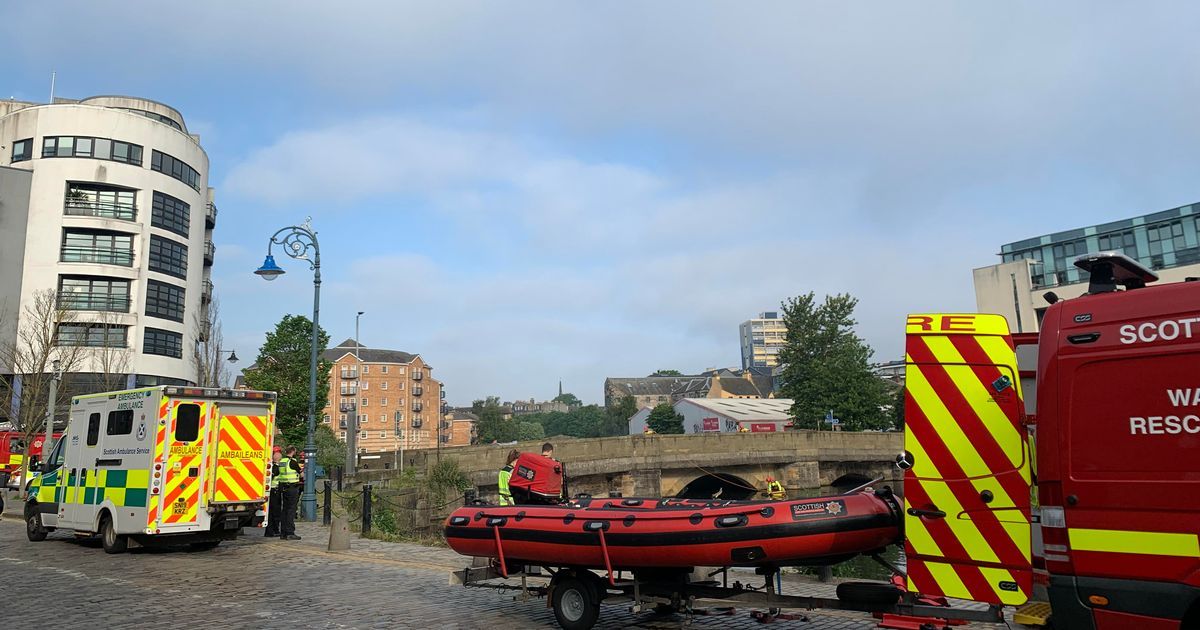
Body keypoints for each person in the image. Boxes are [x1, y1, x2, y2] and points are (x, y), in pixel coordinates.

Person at [271, 445, 302, 540]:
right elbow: (301, 474)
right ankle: (290, 532)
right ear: (293, 451)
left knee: (284, 510)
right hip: (292, 487)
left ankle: (283, 533)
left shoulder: (282, 461)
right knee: (291, 511)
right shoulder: (292, 462)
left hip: (283, 488)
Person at [264, 446, 284, 537]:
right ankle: (274, 530)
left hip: (272, 491)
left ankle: (270, 531)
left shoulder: (270, 466)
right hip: (274, 491)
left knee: (271, 512)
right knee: (275, 512)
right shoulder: (275, 467)